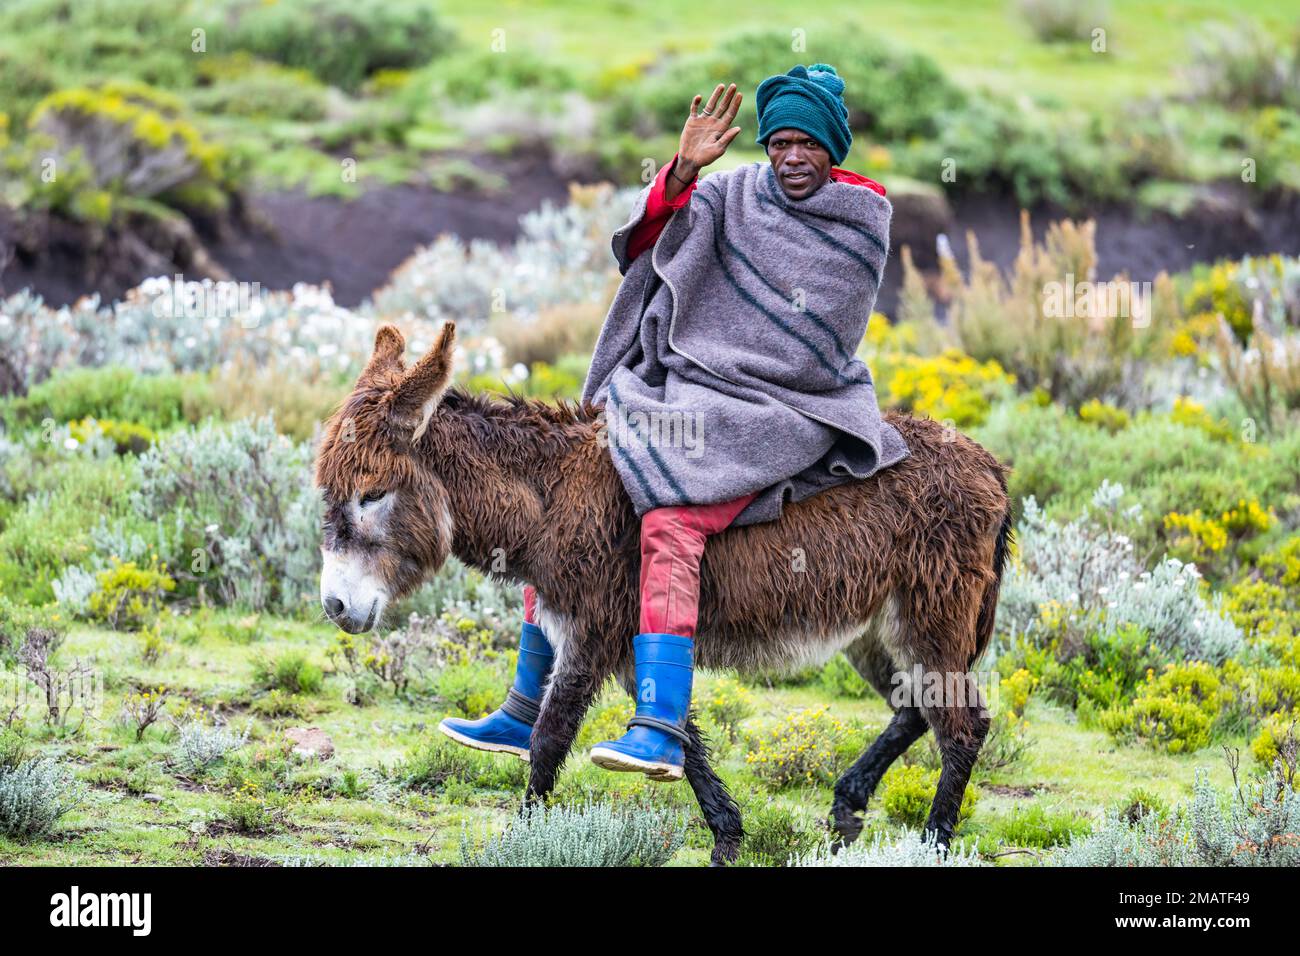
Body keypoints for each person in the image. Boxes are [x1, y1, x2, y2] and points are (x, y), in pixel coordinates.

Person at [439, 64, 908, 781]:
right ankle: (523, 708)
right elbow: (645, 244)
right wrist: (684, 168)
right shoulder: (733, 193)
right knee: (571, 508)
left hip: (786, 405)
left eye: (805, 145)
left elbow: (820, 338)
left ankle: (657, 728)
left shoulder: (859, 220)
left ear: (832, 148)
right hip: (689, 391)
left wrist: (737, 364)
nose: (789, 158)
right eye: (777, 142)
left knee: (671, 523)